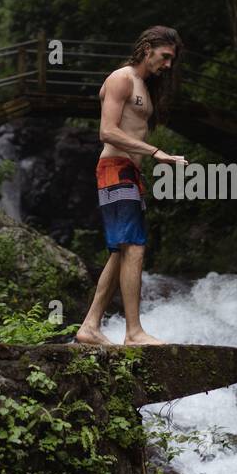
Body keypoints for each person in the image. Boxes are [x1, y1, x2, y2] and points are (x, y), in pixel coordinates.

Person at [76, 26, 187, 346]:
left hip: (129, 172)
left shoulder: (143, 86)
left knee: (122, 250)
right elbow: (107, 131)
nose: (167, 65)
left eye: (172, 60)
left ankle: (90, 326)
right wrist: (156, 152)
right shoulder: (121, 78)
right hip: (115, 169)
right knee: (135, 246)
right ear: (148, 48)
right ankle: (133, 332)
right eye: (165, 57)